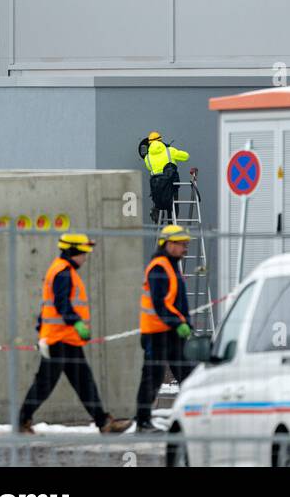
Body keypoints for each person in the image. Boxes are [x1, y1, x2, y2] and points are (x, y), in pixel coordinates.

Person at [19, 232, 131, 434]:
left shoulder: (64, 271)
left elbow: (48, 307)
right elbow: (61, 304)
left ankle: (103, 422)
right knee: (45, 384)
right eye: (83, 253)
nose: (85, 258)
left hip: (67, 340)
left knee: (84, 383)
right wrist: (77, 323)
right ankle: (21, 421)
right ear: (72, 252)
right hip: (58, 340)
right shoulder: (62, 273)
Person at [134, 224, 195, 432]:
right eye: (181, 244)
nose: (185, 248)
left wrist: (185, 322)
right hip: (156, 334)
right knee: (153, 376)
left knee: (187, 374)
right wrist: (179, 323)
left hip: (170, 332)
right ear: (168, 244)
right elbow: (160, 304)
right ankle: (142, 422)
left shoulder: (171, 265)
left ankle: (195, 416)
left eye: (186, 244)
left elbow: (177, 300)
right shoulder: (159, 267)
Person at [143, 131, 190, 225]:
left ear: (149, 143)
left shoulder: (147, 157)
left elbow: (149, 167)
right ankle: (171, 227)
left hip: (156, 188)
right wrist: (169, 148)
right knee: (172, 207)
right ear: (161, 140)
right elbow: (186, 156)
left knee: (159, 206)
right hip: (171, 186)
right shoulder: (170, 151)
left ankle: (159, 228)